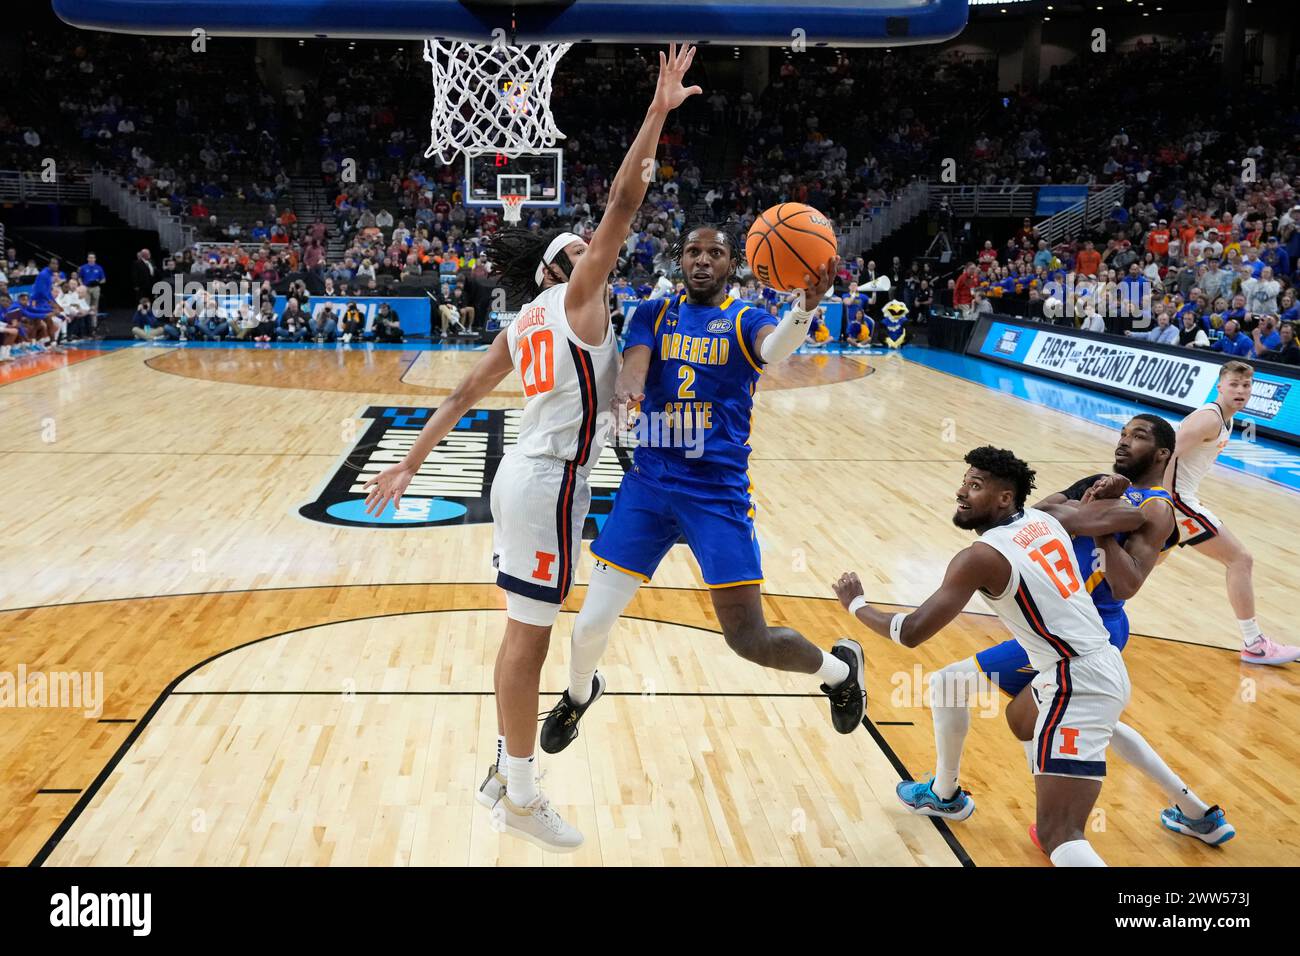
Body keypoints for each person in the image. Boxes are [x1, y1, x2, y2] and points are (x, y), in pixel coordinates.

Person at [362, 44, 700, 852]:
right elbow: (625, 198)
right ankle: (518, 794)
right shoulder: (578, 298)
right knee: (528, 640)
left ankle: (500, 774)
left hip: (540, 478)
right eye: (583, 248)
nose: (598, 250)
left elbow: (459, 395)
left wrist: (413, 458)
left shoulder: (524, 322)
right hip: (547, 481)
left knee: (525, 632)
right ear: (561, 268)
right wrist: (656, 113)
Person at [535, 225, 867, 761]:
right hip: (649, 483)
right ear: (680, 259)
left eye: (715, 253)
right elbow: (635, 368)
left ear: (732, 264)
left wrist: (803, 310)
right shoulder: (654, 312)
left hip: (716, 493)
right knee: (591, 622)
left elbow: (777, 349)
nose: (703, 261)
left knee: (748, 640)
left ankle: (838, 671)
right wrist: (628, 396)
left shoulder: (747, 319)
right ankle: (577, 693)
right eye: (693, 251)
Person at [835, 447, 1143, 865]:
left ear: (1004, 498)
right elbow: (1130, 516)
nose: (961, 492)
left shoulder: (981, 557)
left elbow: (910, 633)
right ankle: (945, 794)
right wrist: (1117, 495)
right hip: (1092, 666)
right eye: (965, 481)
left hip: (1076, 681)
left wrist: (856, 605)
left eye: (975, 485)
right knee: (998, 709)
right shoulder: (1049, 517)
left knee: (1059, 837)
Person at [1165, 361, 1300, 664]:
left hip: (1179, 500)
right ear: (1220, 387)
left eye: (1246, 385)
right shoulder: (1209, 419)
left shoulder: (1225, 418)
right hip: (1177, 502)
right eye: (1234, 384)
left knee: (1136, 568)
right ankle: (1254, 643)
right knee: (1240, 558)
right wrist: (1160, 501)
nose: (1241, 390)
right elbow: (1165, 453)